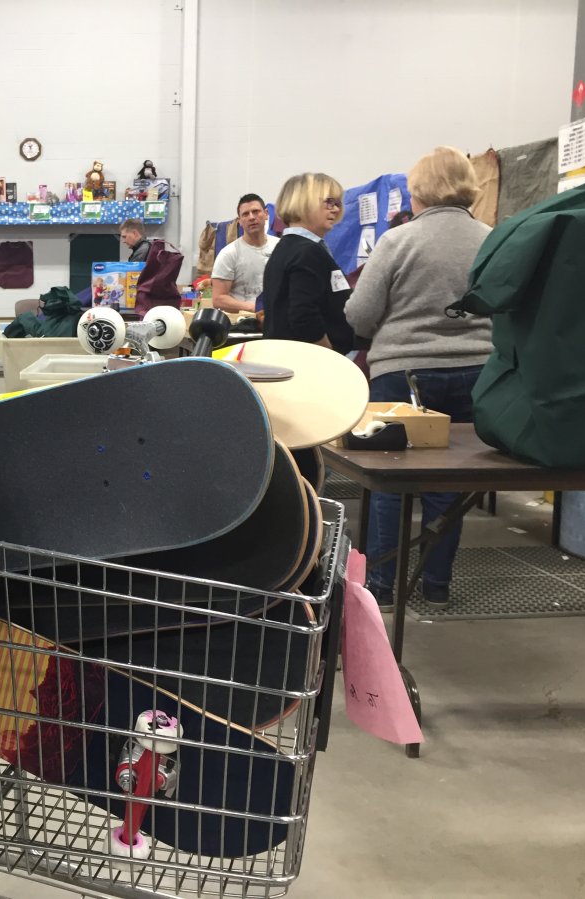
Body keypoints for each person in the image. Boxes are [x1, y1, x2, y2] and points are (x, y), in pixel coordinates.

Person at [345, 147, 492, 610]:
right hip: (475, 371)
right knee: (448, 483)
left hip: (403, 375)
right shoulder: (491, 239)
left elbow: (360, 315)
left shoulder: (398, 241)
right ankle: (436, 587)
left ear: (418, 189)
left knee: (389, 483)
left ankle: (384, 589)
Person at [261, 172, 354, 353]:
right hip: (309, 362)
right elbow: (304, 316)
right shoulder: (307, 252)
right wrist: (328, 355)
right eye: (329, 202)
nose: (335, 209)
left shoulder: (288, 248)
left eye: (337, 203)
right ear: (304, 202)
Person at [210, 193, 279, 313]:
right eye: (245, 214)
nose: (251, 217)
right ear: (240, 221)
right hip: (241, 325)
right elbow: (218, 299)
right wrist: (255, 308)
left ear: (266, 214)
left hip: (276, 321)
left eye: (256, 211)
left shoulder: (280, 248)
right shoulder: (228, 254)